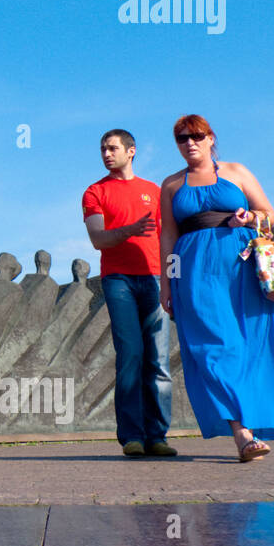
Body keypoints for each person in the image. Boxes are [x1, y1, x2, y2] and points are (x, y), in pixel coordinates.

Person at [158, 115, 274, 461]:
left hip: (242, 268)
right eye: (181, 138)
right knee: (212, 348)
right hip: (193, 272)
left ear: (210, 138)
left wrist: (249, 218)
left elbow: (268, 213)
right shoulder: (172, 185)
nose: (189, 143)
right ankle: (242, 434)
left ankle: (250, 425)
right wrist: (167, 282)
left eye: (196, 136)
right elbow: (169, 236)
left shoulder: (237, 172)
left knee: (248, 345)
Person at [83, 129, 174, 457]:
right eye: (102, 149)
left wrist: (171, 280)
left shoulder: (154, 191)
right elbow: (98, 239)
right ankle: (133, 437)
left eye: (112, 148)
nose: (106, 154)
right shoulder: (95, 192)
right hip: (118, 280)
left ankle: (158, 436)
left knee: (159, 359)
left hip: (153, 278)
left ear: (131, 151)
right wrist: (129, 231)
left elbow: (168, 240)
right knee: (131, 354)